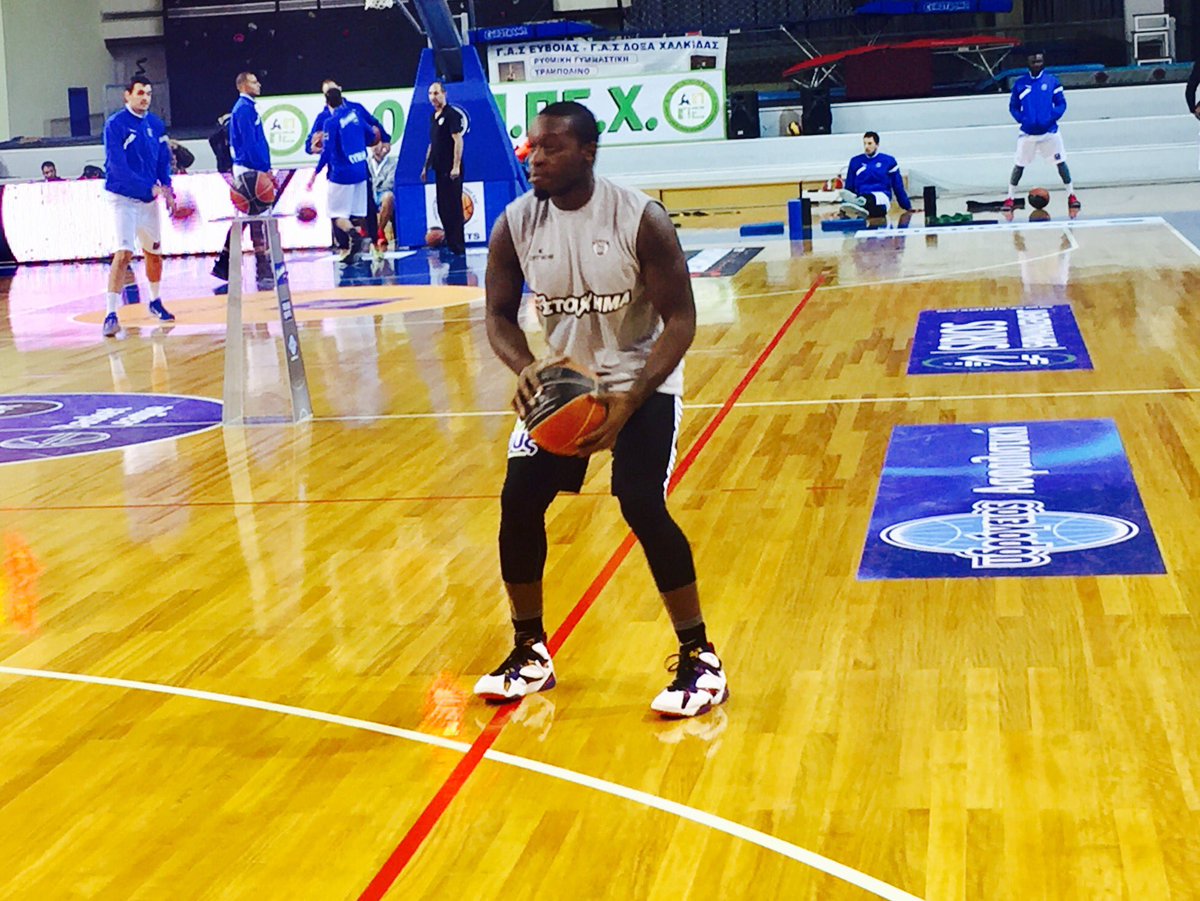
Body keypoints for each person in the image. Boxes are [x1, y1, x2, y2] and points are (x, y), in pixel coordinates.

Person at [477, 101, 729, 719]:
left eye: (551, 147)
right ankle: (530, 651)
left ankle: (701, 658)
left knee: (640, 500)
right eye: (532, 147)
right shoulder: (515, 223)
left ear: (588, 153)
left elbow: (682, 321)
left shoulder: (641, 219)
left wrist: (631, 398)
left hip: (640, 377)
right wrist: (527, 367)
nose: (535, 158)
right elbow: (497, 316)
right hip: (564, 381)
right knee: (518, 502)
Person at [100, 75, 176, 338]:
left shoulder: (155, 124)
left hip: (148, 200)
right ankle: (111, 313)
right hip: (122, 197)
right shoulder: (115, 125)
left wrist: (167, 188)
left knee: (154, 253)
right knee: (123, 253)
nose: (145, 98)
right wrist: (148, 187)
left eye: (149, 93)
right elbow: (117, 167)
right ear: (127, 95)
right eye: (140, 92)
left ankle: (155, 301)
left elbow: (163, 161)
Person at [306, 79, 389, 251]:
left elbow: (328, 151)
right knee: (358, 211)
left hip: (341, 173)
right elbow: (371, 134)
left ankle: (361, 239)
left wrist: (315, 172)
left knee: (338, 213)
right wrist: (313, 147)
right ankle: (350, 246)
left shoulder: (337, 117)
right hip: (358, 169)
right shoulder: (349, 114)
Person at [212, 72, 273, 289]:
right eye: (254, 82)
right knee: (254, 215)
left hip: (251, 166)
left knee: (251, 217)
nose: (259, 84)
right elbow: (249, 144)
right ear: (244, 85)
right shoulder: (244, 109)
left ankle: (225, 262)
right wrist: (263, 169)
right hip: (249, 168)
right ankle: (261, 267)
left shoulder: (247, 108)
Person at [1002, 51, 1080, 217]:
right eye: (1034, 61)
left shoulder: (1052, 82)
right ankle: (1010, 198)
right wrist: (1022, 119)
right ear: (1028, 63)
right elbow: (1013, 106)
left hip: (1049, 132)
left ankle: (1071, 196)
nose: (1037, 64)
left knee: (1061, 162)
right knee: (1019, 164)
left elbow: (1061, 103)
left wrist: (1051, 117)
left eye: (1039, 61)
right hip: (1028, 133)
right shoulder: (1020, 84)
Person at [422, 82, 466, 256]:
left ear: (444, 94)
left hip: (451, 169)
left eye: (436, 93)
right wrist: (425, 167)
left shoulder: (452, 115)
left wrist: (456, 166)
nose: (433, 97)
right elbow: (433, 143)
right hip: (439, 168)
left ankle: (458, 246)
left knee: (454, 207)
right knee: (442, 208)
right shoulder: (433, 117)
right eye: (430, 93)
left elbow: (458, 140)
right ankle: (450, 241)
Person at [839, 131, 913, 219]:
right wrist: (843, 208)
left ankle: (862, 204)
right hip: (861, 194)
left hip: (881, 196)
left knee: (874, 204)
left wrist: (907, 206)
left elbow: (898, 186)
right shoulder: (855, 161)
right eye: (864, 143)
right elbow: (849, 187)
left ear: (877, 145)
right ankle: (860, 205)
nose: (866, 147)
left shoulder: (888, 161)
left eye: (869, 143)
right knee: (865, 203)